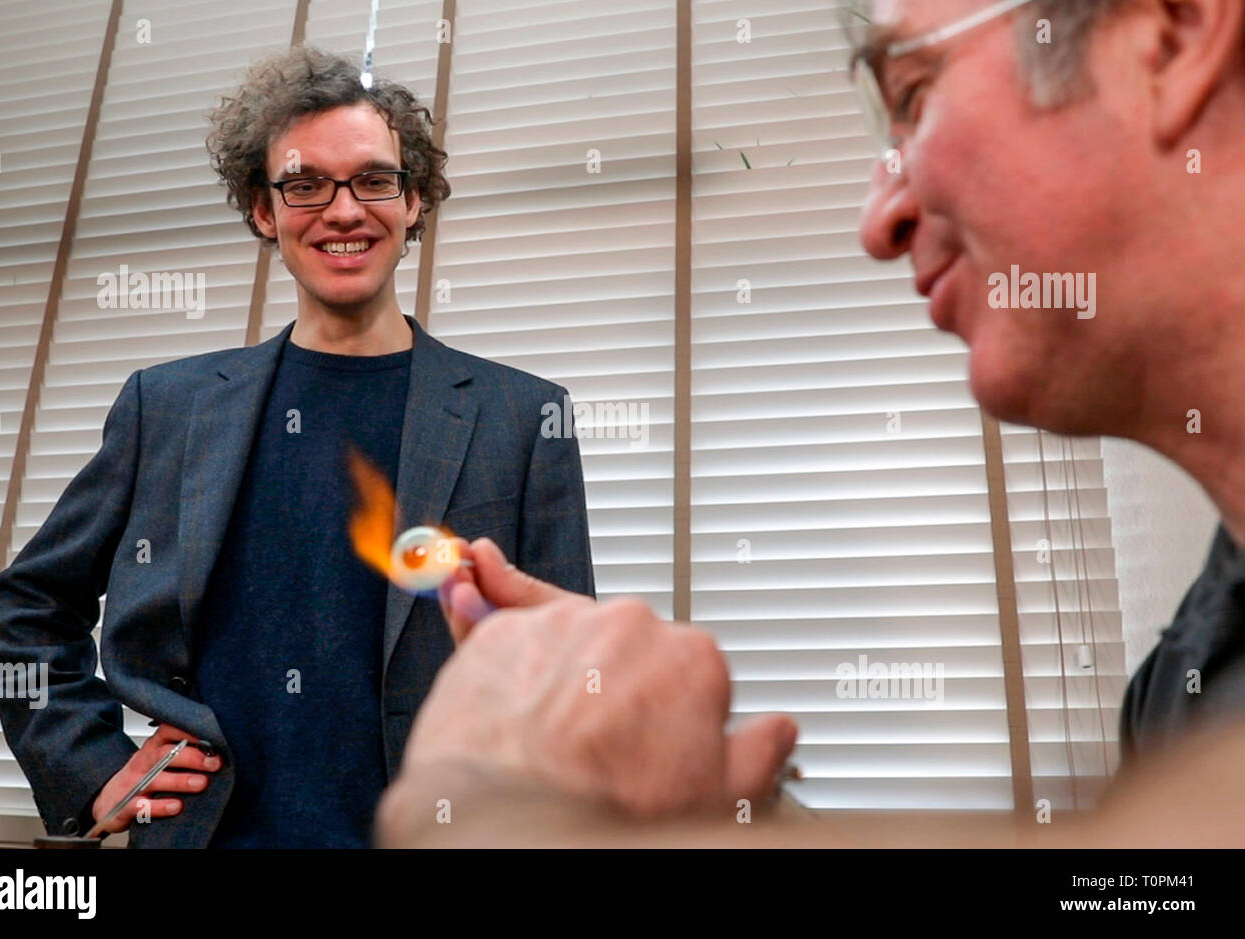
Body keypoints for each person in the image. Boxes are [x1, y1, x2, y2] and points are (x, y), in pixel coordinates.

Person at [375, 0, 1245, 846]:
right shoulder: (1184, 685)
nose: (879, 222)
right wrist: (684, 792)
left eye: (912, 94)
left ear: (1171, 33)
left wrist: (495, 807)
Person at [0, 45, 594, 849]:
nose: (344, 210)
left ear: (413, 203)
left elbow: (572, 662)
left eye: (374, 180)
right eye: (305, 185)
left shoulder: (525, 416)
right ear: (263, 211)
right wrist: (93, 770)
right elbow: (25, 615)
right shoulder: (166, 407)